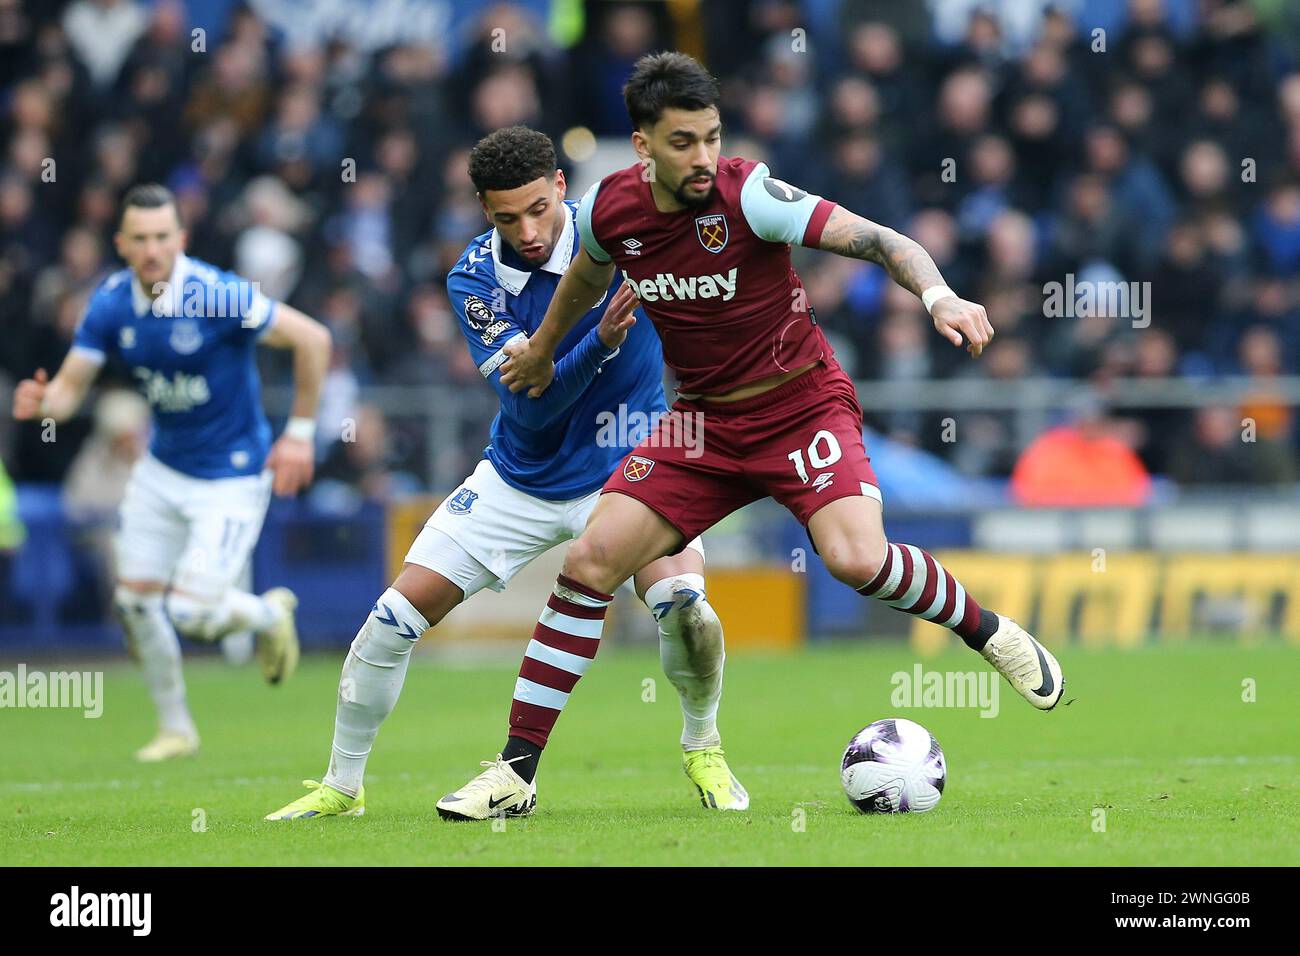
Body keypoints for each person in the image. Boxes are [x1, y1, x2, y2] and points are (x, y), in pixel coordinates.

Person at [461, 52, 1067, 809]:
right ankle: (515, 775)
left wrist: (939, 295)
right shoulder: (609, 210)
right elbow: (587, 274)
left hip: (799, 406)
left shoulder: (753, 195)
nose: (704, 156)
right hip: (703, 425)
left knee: (855, 559)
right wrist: (546, 349)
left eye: (712, 136)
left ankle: (990, 632)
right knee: (589, 561)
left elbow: (880, 240)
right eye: (684, 141)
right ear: (643, 145)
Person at [265, 126, 746, 823]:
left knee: (686, 608)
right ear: (483, 212)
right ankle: (343, 786)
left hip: (634, 464)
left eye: (537, 210)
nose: (526, 230)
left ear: (560, 188)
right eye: (505, 217)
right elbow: (535, 395)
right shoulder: (475, 279)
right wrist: (603, 343)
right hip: (521, 474)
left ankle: (703, 744)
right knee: (390, 622)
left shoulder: (623, 235)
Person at [11, 183, 332, 762]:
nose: (153, 248)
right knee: (134, 603)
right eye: (141, 239)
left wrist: (300, 436)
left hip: (231, 477)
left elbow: (313, 339)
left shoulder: (216, 295)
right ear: (122, 244)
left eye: (163, 236)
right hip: (162, 471)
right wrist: (46, 401)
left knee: (191, 611)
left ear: (180, 239)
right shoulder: (109, 302)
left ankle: (266, 613)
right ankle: (177, 729)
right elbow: (69, 387)